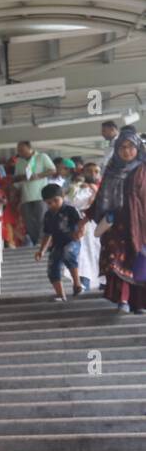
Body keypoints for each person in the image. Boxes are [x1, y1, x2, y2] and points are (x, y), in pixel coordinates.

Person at [85, 127, 146, 313]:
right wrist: (86, 219)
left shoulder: (144, 170)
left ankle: (139, 302)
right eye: (122, 147)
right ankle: (123, 300)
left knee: (139, 262)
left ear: (138, 148)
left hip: (140, 225)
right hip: (115, 225)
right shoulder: (111, 170)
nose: (126, 151)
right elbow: (100, 198)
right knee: (115, 260)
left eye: (130, 147)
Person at [34, 183, 83, 302]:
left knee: (68, 252)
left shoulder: (71, 210)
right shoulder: (48, 215)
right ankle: (61, 295)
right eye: (49, 203)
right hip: (57, 244)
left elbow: (81, 223)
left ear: (62, 197)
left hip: (72, 241)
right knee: (52, 267)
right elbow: (47, 234)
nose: (53, 205)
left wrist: (80, 233)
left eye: (56, 200)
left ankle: (77, 284)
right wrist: (42, 250)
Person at [14, 140, 56, 248]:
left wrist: (38, 175)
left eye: (22, 150)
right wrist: (25, 177)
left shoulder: (41, 157)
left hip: (40, 194)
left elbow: (52, 170)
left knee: (41, 218)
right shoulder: (19, 161)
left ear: (29, 148)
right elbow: (16, 178)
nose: (20, 152)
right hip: (26, 196)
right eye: (19, 150)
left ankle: (43, 242)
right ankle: (34, 242)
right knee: (28, 221)